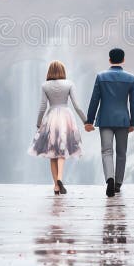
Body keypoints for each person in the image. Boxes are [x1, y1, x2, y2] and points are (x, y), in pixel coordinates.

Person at [28, 60, 87, 195]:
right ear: (62, 71)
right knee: (62, 150)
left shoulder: (45, 85)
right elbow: (77, 105)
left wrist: (39, 123)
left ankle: (56, 185)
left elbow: (43, 106)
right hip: (66, 117)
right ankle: (60, 178)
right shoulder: (69, 83)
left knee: (52, 152)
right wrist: (85, 120)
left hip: (51, 117)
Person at [85, 48, 134, 197]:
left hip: (105, 119)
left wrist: (89, 120)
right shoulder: (131, 78)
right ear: (123, 59)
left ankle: (110, 178)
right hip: (123, 120)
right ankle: (118, 184)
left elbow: (94, 99)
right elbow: (133, 103)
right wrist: (133, 122)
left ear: (109, 60)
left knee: (106, 151)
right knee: (122, 153)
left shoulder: (101, 77)